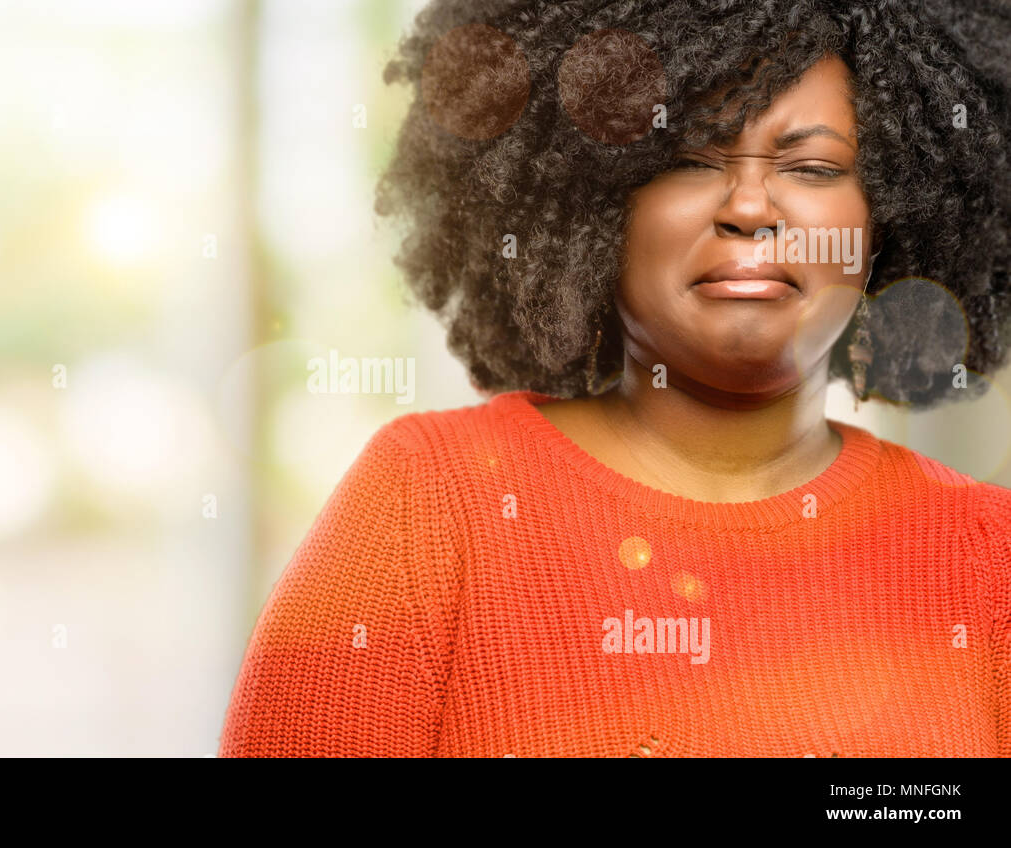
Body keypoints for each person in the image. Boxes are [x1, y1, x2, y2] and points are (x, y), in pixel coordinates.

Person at [219, 0, 1011, 757]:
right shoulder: (427, 504)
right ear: (591, 202)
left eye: (811, 167)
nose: (748, 206)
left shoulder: (988, 556)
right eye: (692, 158)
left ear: (893, 216)